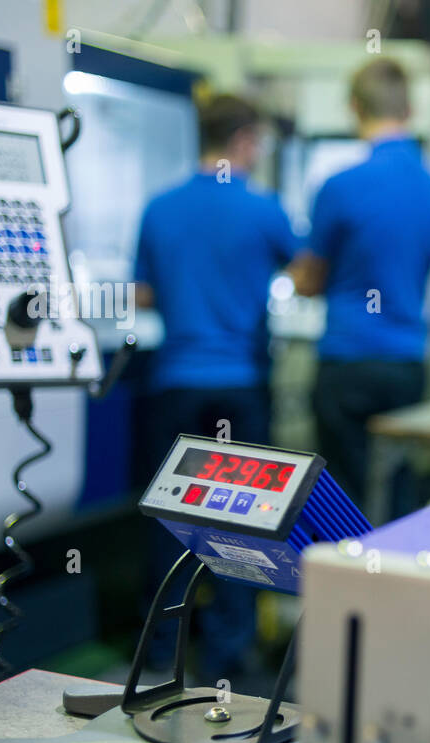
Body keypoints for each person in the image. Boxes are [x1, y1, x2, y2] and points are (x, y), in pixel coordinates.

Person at [134, 94, 312, 683]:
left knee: (170, 519)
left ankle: (160, 649)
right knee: (239, 523)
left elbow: (145, 294)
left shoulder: (159, 208)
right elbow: (305, 276)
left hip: (175, 383)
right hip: (239, 387)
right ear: (242, 140)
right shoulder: (263, 209)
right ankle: (227, 655)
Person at [295, 58, 430, 509]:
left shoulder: (341, 186)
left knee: (342, 499)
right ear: (410, 109)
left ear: (353, 107)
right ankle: (396, 577)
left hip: (348, 361)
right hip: (406, 363)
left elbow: (310, 280)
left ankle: (342, 577)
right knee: (394, 489)